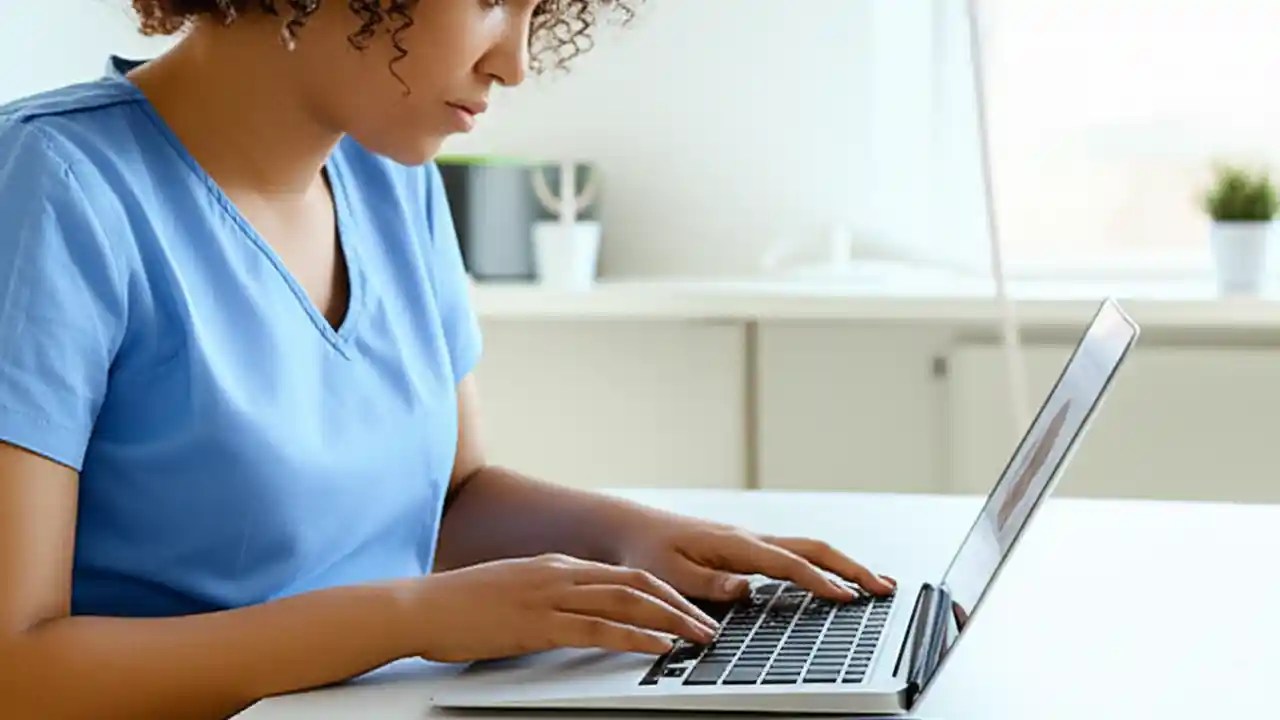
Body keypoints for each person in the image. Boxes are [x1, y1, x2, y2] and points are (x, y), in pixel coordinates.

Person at [0, 2, 895, 718]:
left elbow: (450, 500)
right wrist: (412, 619)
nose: (515, 61)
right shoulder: (50, 188)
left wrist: (634, 539)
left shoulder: (392, 176)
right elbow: (18, 671)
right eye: (491, 0)